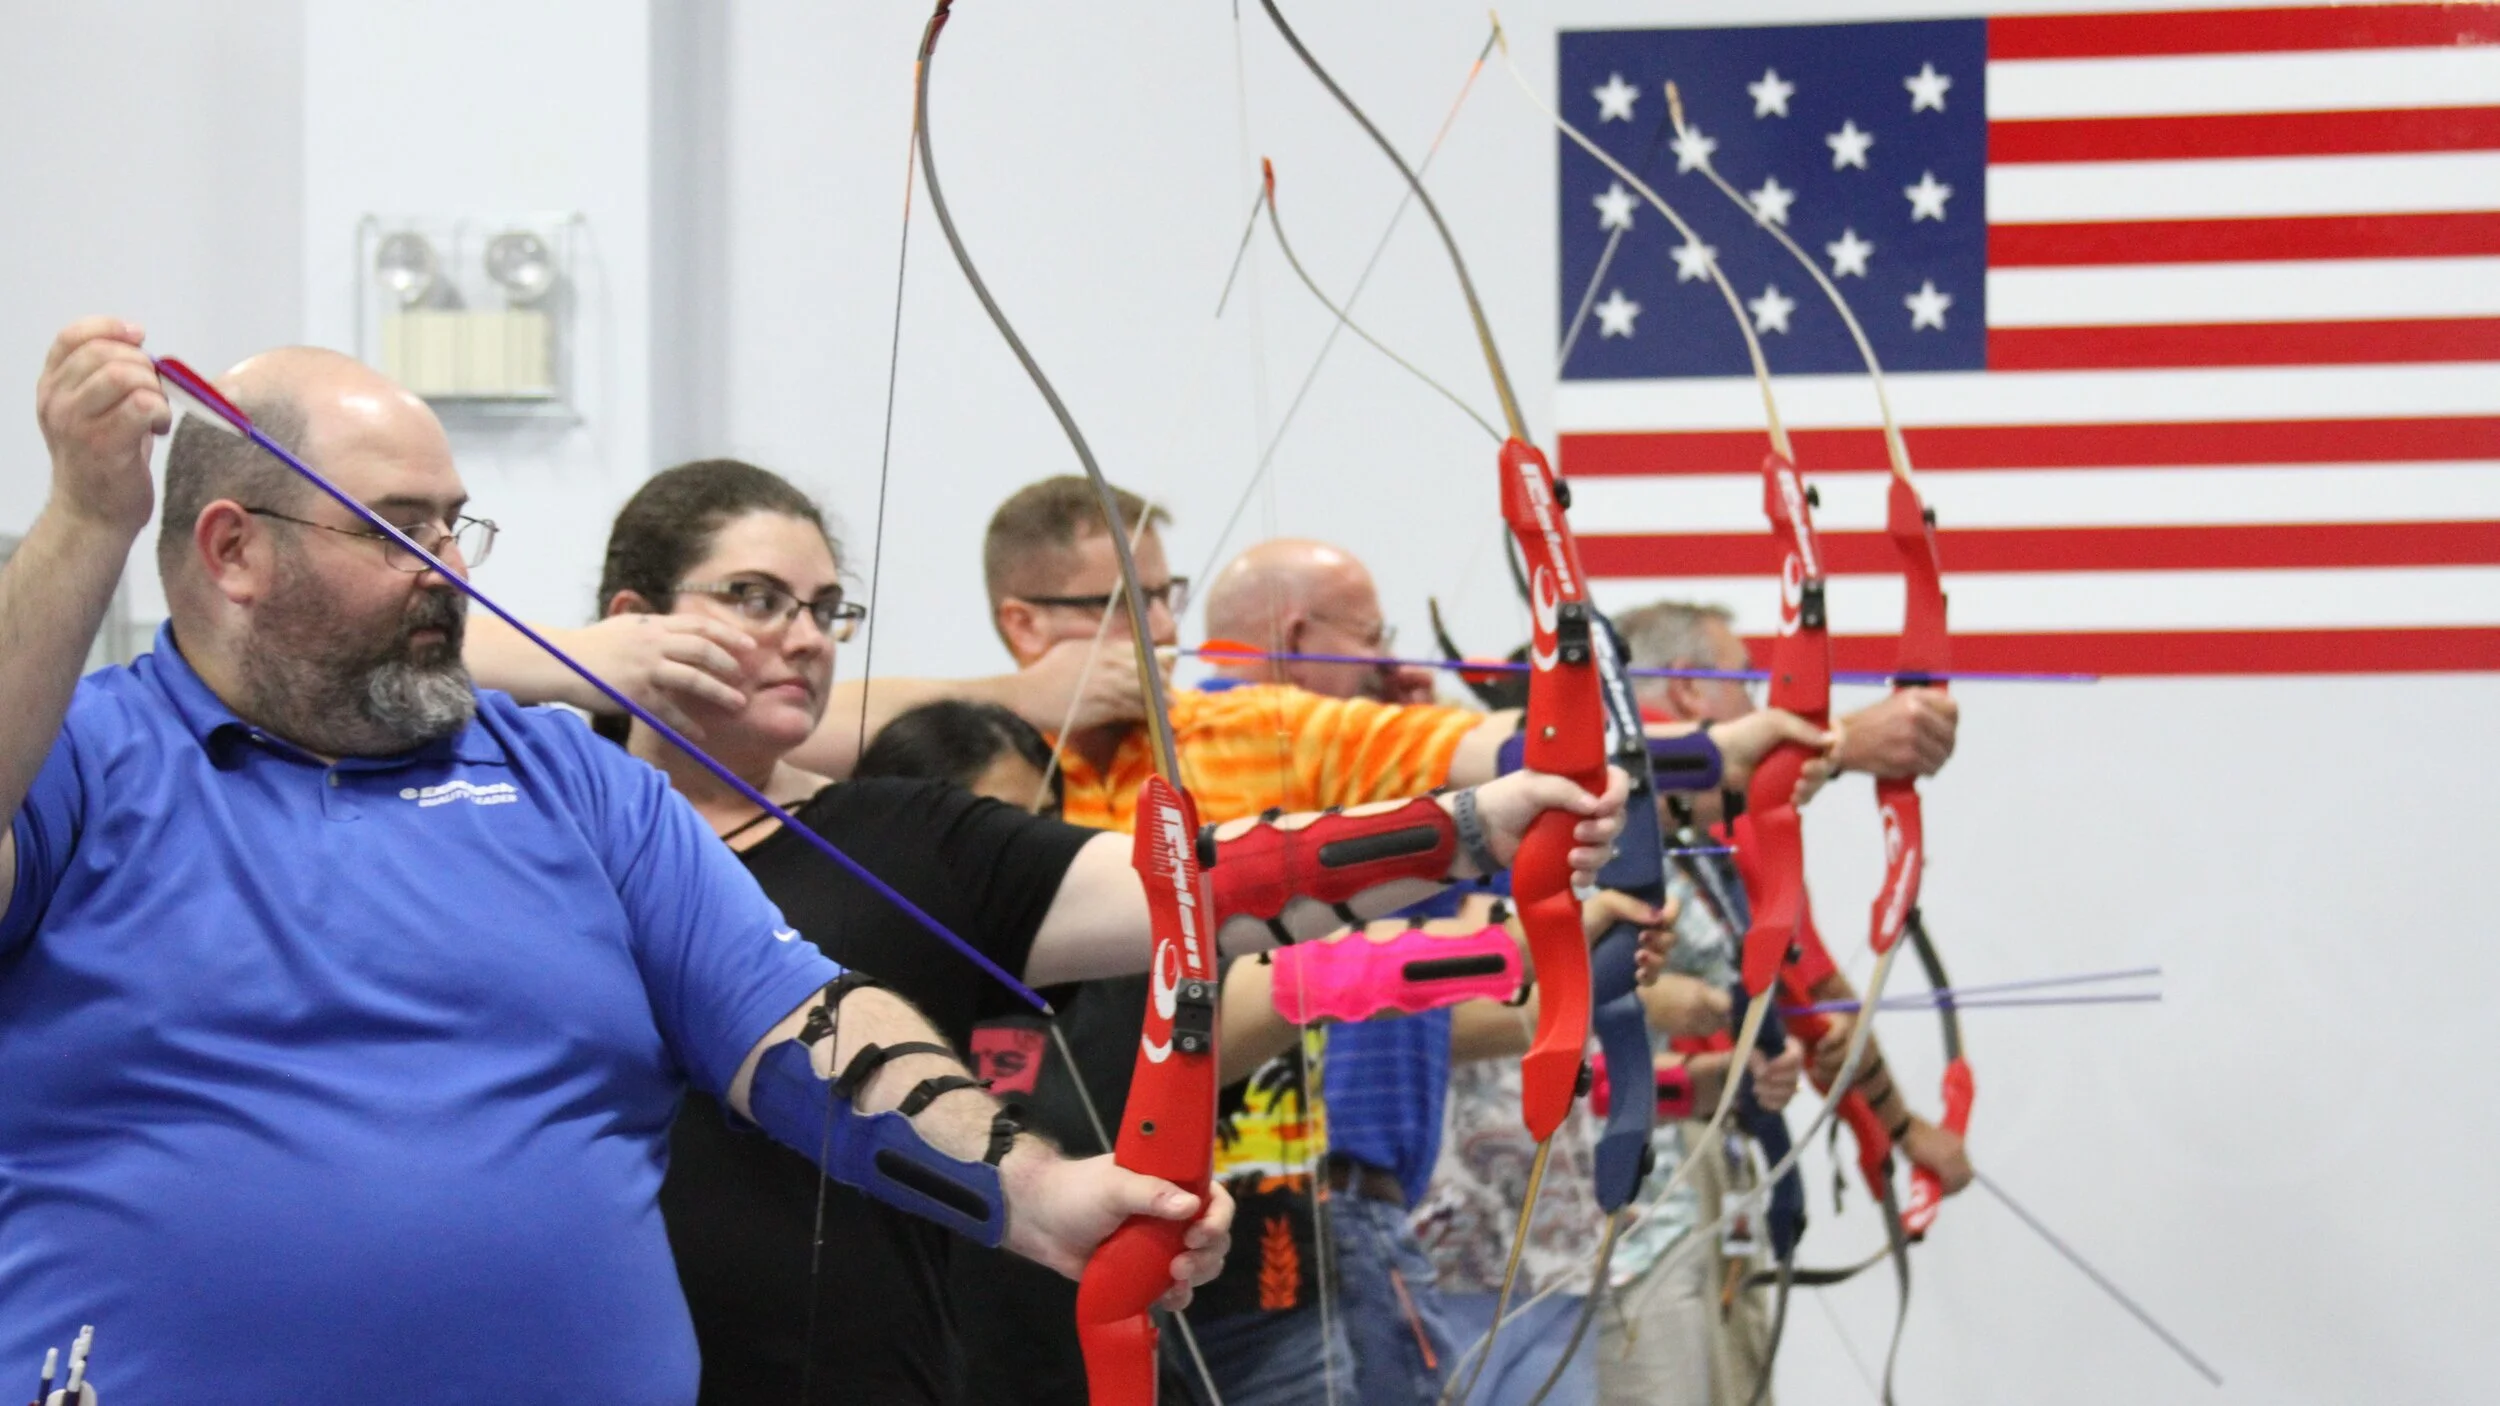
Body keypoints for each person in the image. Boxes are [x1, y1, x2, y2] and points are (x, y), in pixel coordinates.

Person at [0, 323, 1232, 1406]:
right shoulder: (81, 759)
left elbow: (809, 1027)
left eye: (452, 520)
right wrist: (86, 521)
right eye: (396, 528)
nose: (450, 564)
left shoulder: (574, 779)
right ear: (231, 551)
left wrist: (1038, 1193)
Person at [459, 458, 1623, 1405]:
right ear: (631, 617)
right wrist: (565, 663)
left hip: (870, 1375)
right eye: (756, 597)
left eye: (825, 608)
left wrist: (1478, 824)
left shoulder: (911, 838)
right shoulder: (503, 820)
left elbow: (1192, 887)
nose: (806, 636)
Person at [803, 480, 1824, 1406]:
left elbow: (1302, 969)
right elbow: (746, 730)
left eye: (1169, 594)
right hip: (965, 1313)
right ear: (1022, 622)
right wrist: (1019, 698)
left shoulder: (1240, 734)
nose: (1161, 627)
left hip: (1251, 1252)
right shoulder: (899, 812)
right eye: (1126, 603)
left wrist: (1706, 763)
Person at [1605, 599, 1976, 1404]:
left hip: (1719, 1179)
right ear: (1692, 690)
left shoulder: (1744, 829)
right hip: (1629, 1200)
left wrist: (1897, 1126)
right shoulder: (1605, 793)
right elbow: (1649, 792)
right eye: (1745, 678)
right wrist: (1840, 743)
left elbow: (1812, 992)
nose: (1763, 699)